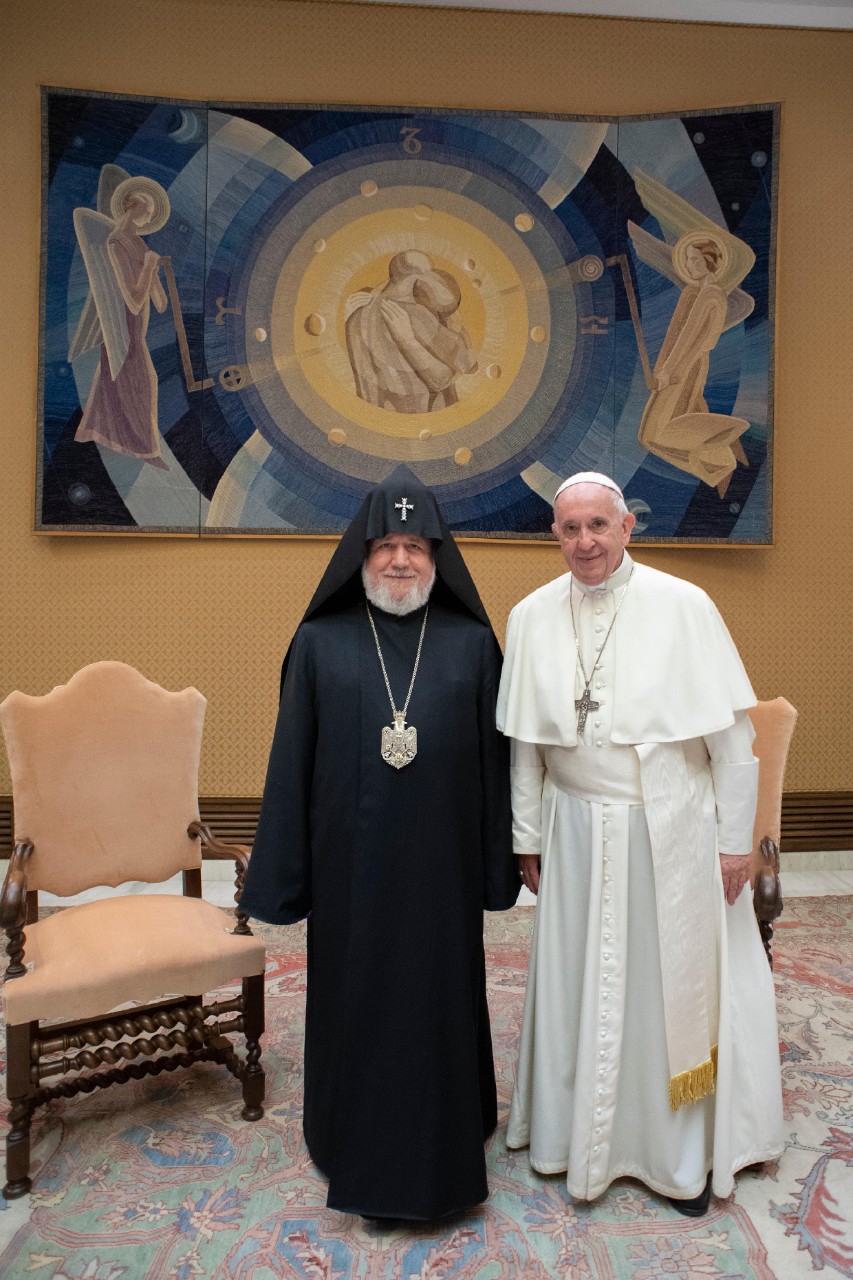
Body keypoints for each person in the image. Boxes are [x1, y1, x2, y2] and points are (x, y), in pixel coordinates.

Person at [497, 470, 783, 1216]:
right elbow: (524, 747)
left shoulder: (684, 606)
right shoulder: (530, 616)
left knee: (666, 993)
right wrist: (526, 836)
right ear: (554, 535)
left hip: (670, 827)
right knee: (575, 982)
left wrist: (732, 843)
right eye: (569, 529)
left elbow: (732, 741)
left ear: (627, 527)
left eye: (598, 525)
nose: (584, 542)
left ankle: (674, 1154)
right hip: (572, 828)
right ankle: (568, 1137)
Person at [239, 464, 517, 1220]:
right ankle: (342, 1128)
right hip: (348, 873)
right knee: (355, 992)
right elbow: (289, 763)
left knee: (439, 994)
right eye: (385, 545)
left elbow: (498, 768)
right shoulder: (320, 641)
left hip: (443, 869)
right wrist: (281, 877)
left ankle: (453, 1119)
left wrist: (498, 867)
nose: (400, 560)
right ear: (360, 555)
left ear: (437, 556)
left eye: (415, 547)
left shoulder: (471, 645)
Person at [70, 174, 170, 467]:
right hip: (123, 327)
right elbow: (134, 300)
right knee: (144, 382)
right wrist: (149, 267)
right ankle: (147, 451)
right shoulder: (115, 243)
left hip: (136, 330)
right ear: (131, 204)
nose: (148, 216)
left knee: (114, 383)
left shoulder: (139, 245)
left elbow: (160, 304)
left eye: (151, 213)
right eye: (146, 208)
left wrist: (154, 272)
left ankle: (95, 431)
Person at [345, 250, 477, 413]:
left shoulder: (354, 318)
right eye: (428, 275)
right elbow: (465, 365)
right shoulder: (417, 314)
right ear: (415, 279)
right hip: (429, 417)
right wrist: (451, 317)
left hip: (386, 421)